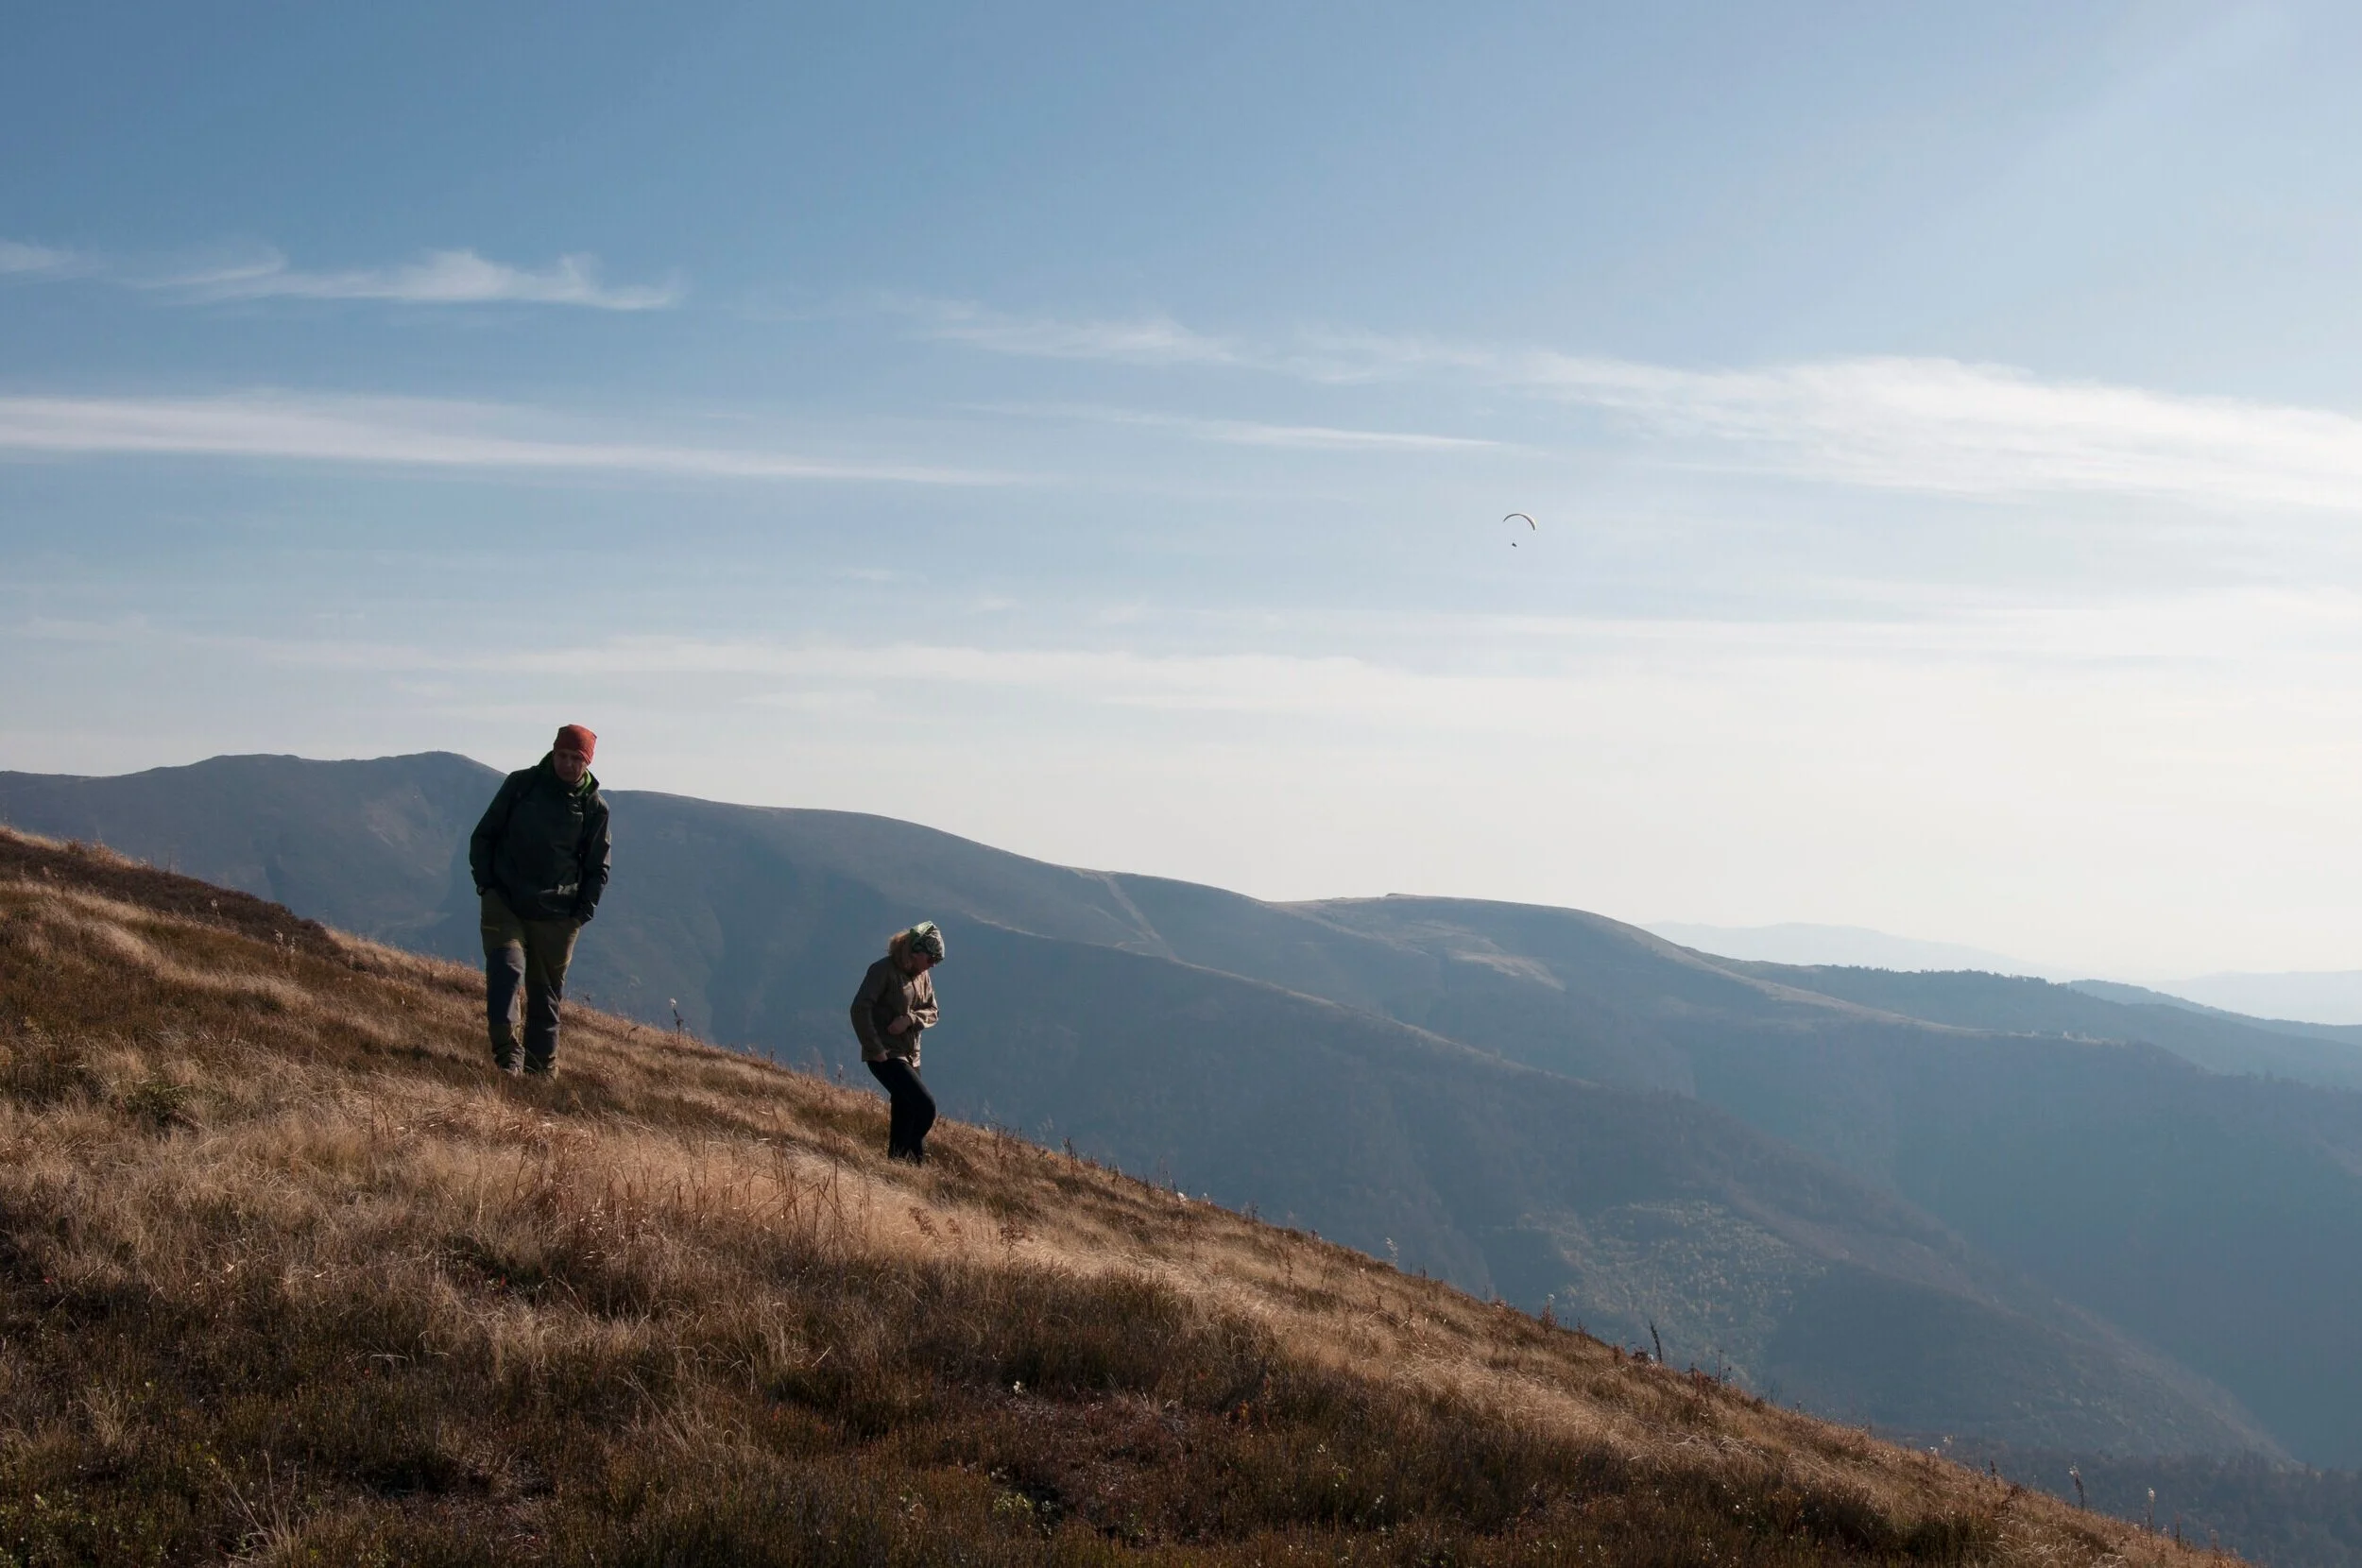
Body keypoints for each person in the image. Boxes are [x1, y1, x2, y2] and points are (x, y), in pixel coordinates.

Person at [469, 724, 611, 1076]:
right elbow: (484, 834)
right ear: (552, 753)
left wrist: (579, 915)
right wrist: (487, 884)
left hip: (558, 915)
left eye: (575, 759)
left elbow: (598, 868)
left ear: (587, 762)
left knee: (545, 995)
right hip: (505, 899)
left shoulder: (594, 807)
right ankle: (507, 1054)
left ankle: (541, 1075)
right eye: (562, 755)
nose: (566, 764)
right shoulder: (522, 785)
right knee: (506, 969)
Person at [850, 922, 945, 1162]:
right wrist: (875, 1048)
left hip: (912, 1053)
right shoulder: (883, 970)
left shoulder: (923, 976)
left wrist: (910, 1019)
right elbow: (860, 1008)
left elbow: (933, 1011)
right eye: (932, 958)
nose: (933, 964)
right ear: (915, 951)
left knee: (906, 1108)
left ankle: (899, 1162)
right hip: (887, 1054)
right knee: (925, 1106)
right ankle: (911, 1154)